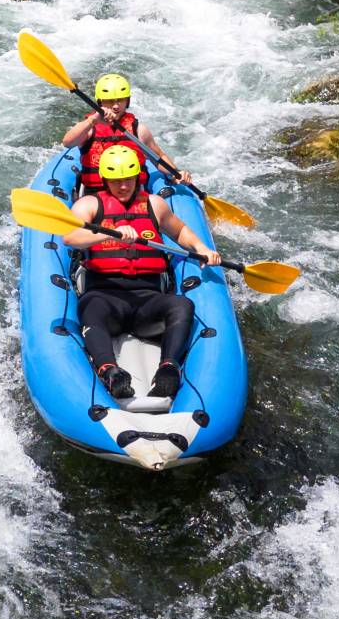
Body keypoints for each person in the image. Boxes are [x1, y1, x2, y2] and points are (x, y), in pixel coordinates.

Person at [62, 145, 220, 402]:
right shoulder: (89, 204)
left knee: (182, 304)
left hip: (148, 300)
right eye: (115, 181)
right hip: (105, 296)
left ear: (137, 177)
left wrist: (202, 248)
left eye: (127, 180)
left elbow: (180, 232)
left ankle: (168, 370)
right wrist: (109, 231)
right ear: (105, 180)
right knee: (89, 306)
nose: (122, 186)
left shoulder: (154, 205)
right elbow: (70, 237)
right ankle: (110, 372)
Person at [59, 73, 193, 193]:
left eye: (120, 100)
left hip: (132, 194)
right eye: (110, 101)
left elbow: (158, 158)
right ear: (100, 102)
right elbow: (67, 142)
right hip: (97, 193)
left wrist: (176, 174)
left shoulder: (138, 129)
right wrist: (92, 121)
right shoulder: (90, 127)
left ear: (127, 101)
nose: (116, 106)